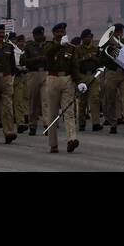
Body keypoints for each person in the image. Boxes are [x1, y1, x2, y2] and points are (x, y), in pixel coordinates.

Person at [41, 22, 80, 153]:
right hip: (53, 78)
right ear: (54, 33)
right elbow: (47, 54)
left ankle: (71, 139)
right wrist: (59, 45)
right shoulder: (49, 45)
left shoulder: (71, 48)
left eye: (63, 32)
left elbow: (75, 66)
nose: (61, 34)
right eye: (58, 32)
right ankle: (53, 144)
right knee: (52, 113)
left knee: (69, 111)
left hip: (67, 80)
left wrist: (79, 82)